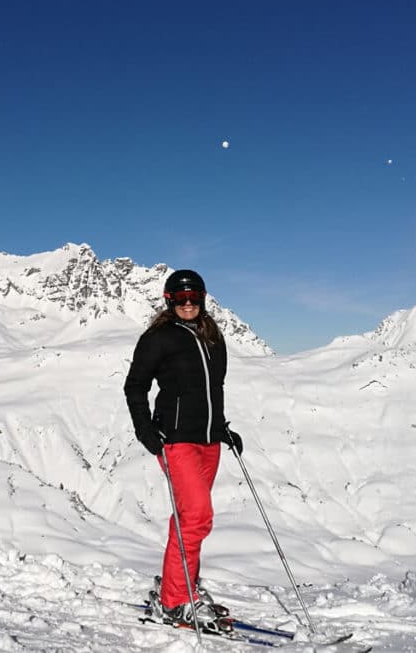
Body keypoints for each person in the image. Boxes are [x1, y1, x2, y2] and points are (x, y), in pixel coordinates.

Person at [124, 269, 243, 630]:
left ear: (203, 299)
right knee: (197, 518)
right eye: (181, 299)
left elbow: (211, 389)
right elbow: (135, 387)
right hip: (176, 442)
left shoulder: (212, 336)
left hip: (208, 441)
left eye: (194, 298)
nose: (188, 305)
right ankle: (175, 601)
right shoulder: (158, 338)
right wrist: (146, 431)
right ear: (169, 301)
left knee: (188, 521)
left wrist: (221, 427)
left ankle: (182, 586)